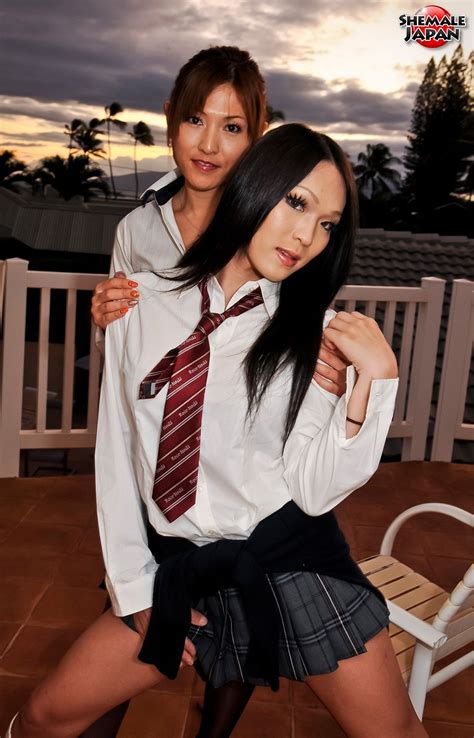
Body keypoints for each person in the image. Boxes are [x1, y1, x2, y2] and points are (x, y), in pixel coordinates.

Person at [7, 123, 429, 738]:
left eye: (328, 223)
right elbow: (119, 458)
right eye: (296, 202)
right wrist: (134, 588)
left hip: (287, 559)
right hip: (179, 564)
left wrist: (375, 383)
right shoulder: (137, 302)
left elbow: (314, 491)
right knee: (46, 716)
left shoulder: (312, 336)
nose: (307, 236)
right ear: (252, 187)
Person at [85, 45, 349, 738]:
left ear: (257, 137)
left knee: (234, 630)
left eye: (232, 128)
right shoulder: (138, 229)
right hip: (160, 470)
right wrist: (105, 320)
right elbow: (129, 358)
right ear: (170, 118)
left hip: (235, 476)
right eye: (195, 120)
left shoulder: (274, 219)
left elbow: (296, 318)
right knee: (125, 632)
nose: (208, 145)